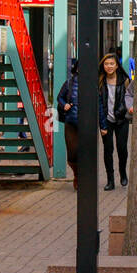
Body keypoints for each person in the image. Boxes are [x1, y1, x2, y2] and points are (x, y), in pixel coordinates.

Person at [96, 52, 133, 191]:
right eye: (106, 64)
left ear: (117, 65)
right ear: (103, 66)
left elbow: (129, 98)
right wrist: (102, 124)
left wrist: (123, 110)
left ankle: (122, 173)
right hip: (107, 120)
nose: (109, 66)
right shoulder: (100, 80)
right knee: (108, 150)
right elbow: (99, 103)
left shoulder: (125, 80)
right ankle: (110, 180)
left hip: (121, 119)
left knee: (122, 148)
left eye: (112, 64)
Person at [55, 59, 81, 190]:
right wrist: (64, 104)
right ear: (76, 68)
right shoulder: (69, 83)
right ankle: (77, 174)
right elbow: (59, 97)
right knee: (72, 152)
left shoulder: (93, 83)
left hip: (87, 123)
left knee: (86, 151)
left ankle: (84, 178)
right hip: (71, 122)